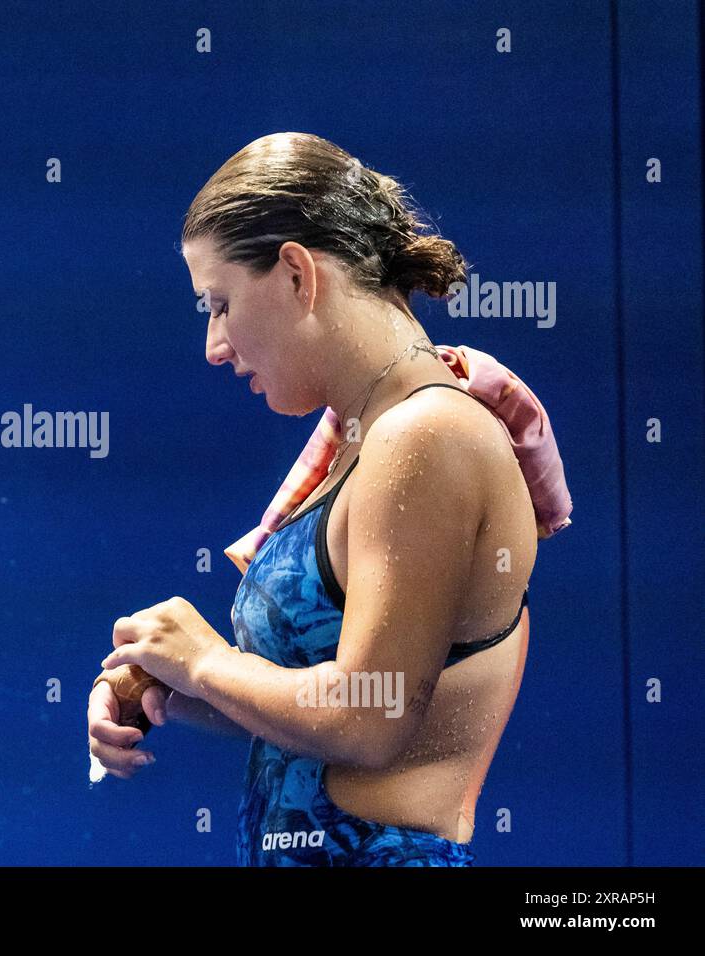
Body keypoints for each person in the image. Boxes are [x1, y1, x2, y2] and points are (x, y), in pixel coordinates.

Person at [87, 132, 551, 866]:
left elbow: (369, 717)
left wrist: (206, 662)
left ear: (297, 273)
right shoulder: (362, 441)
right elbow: (310, 703)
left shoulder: (426, 434)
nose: (213, 345)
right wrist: (168, 682)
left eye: (220, 304)